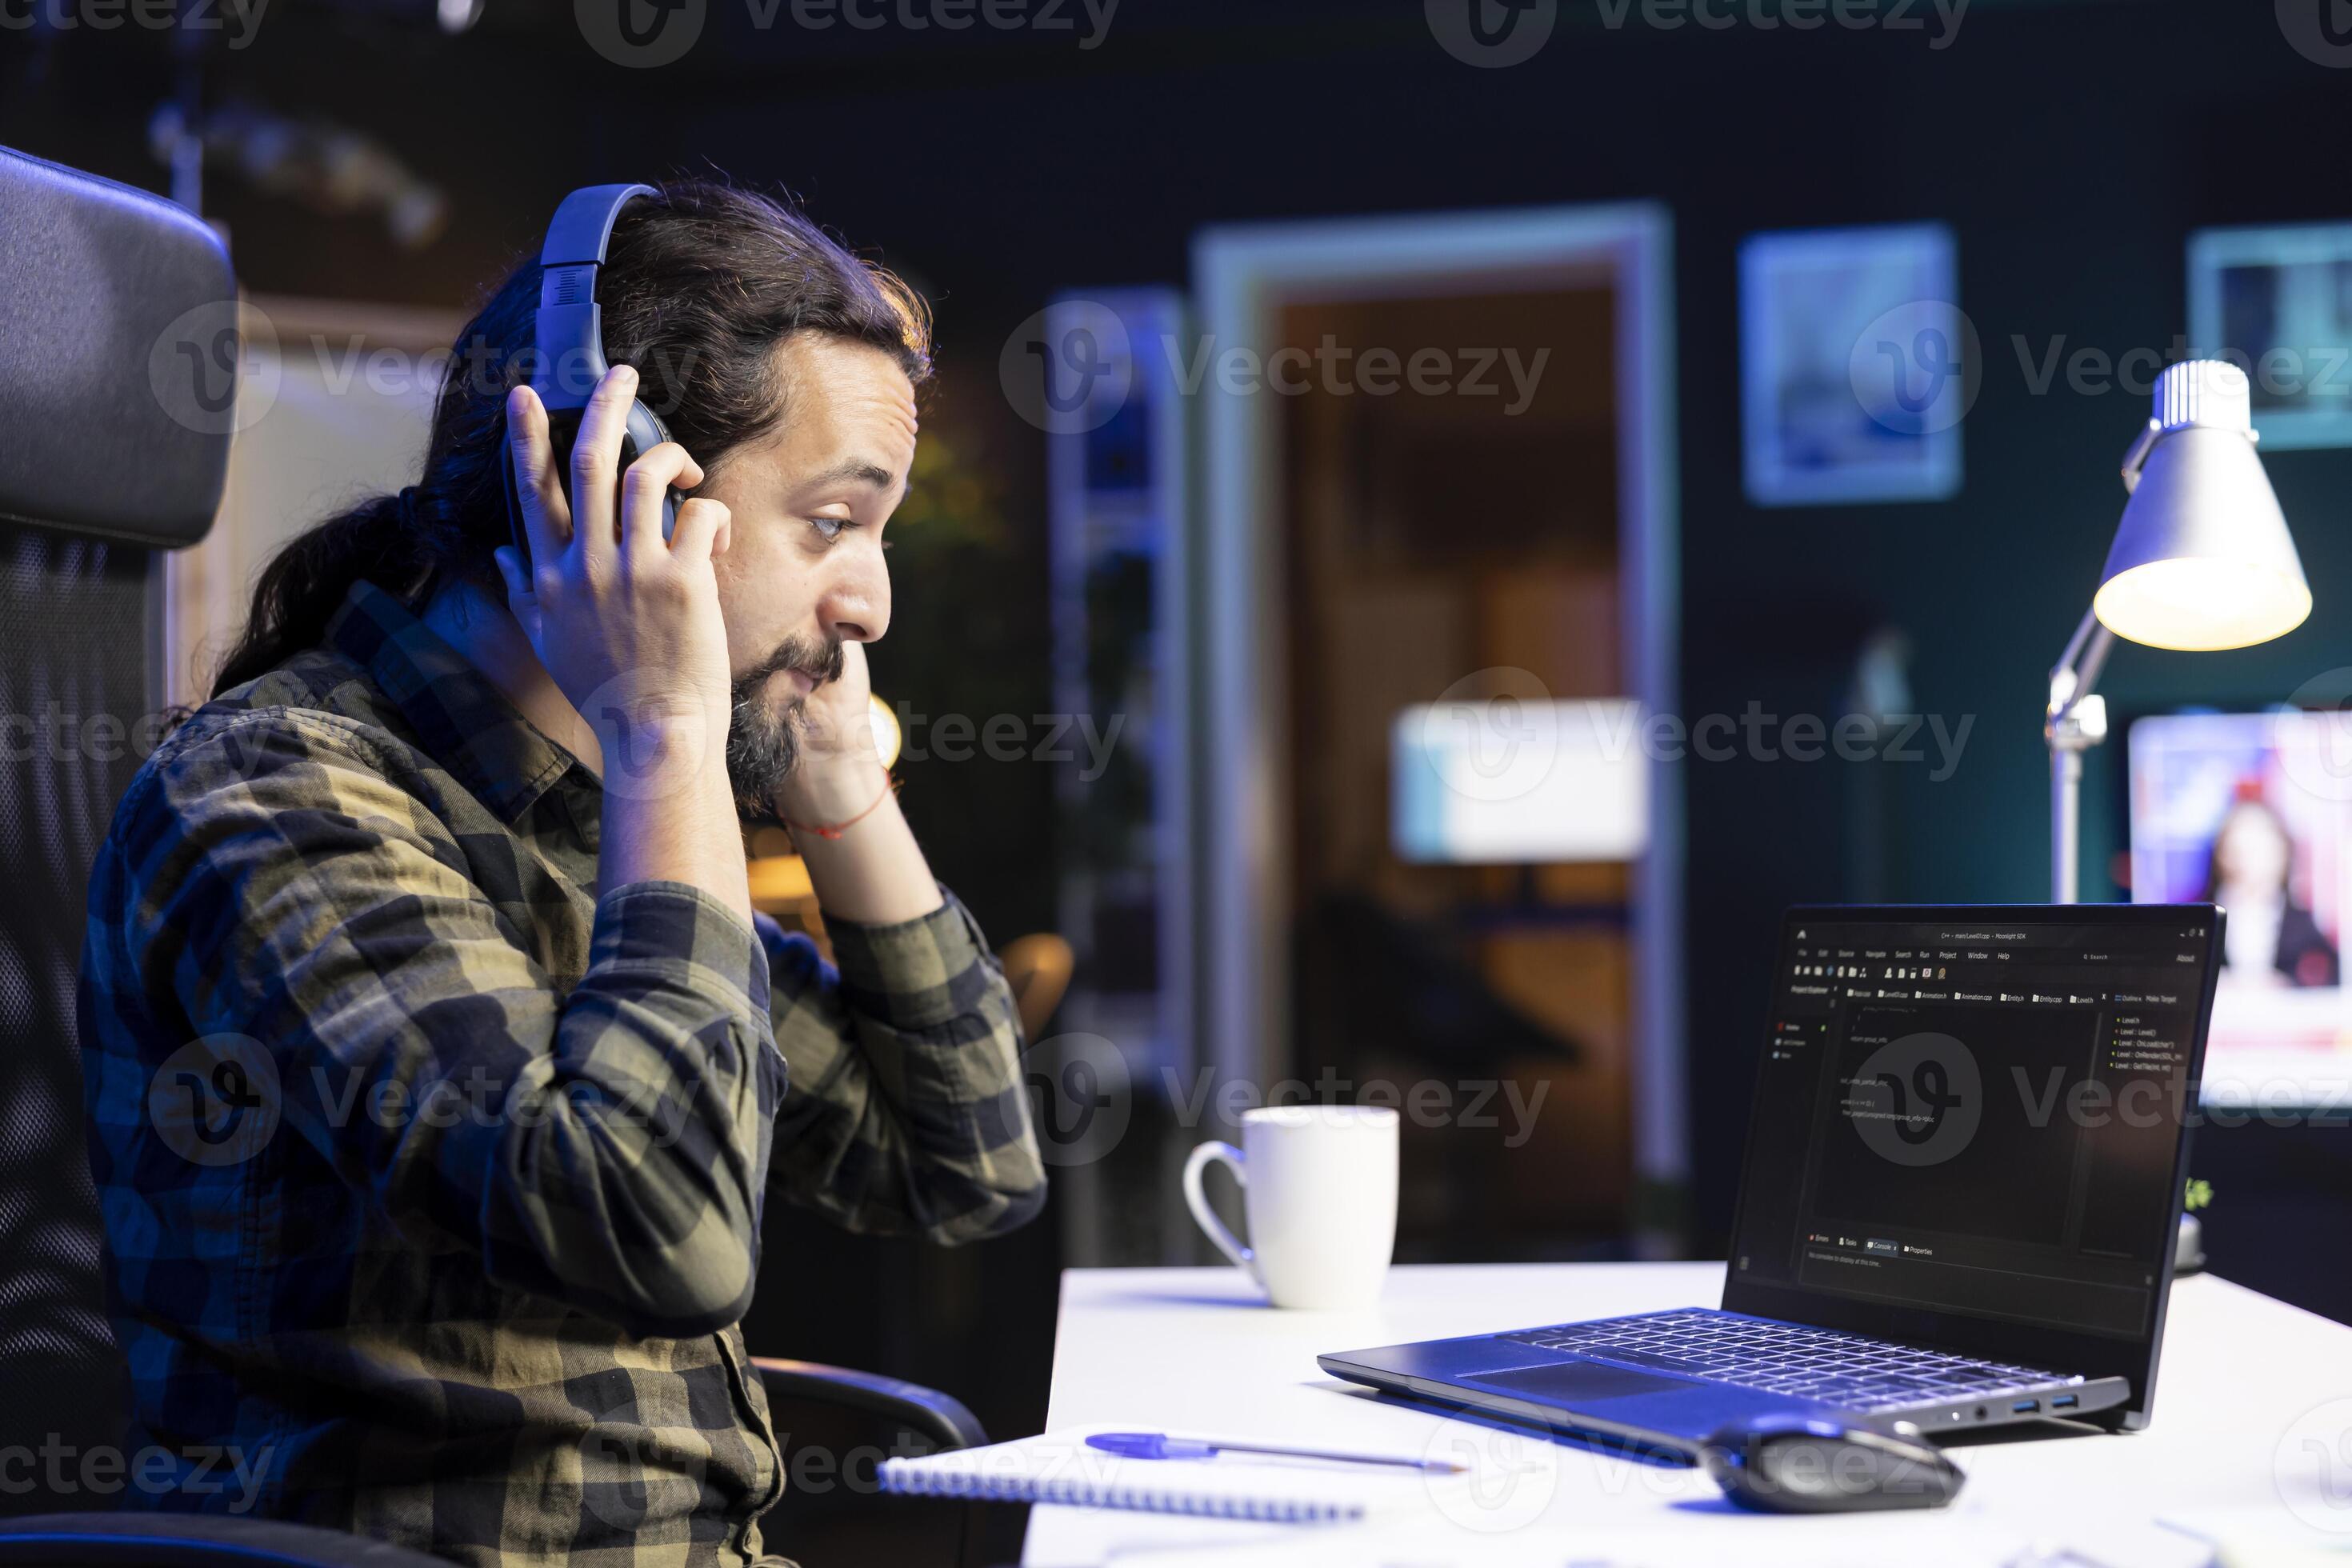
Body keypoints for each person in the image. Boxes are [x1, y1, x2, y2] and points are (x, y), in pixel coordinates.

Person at [78, 179, 1045, 1564]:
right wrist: (670, 739)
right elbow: (657, 1231)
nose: (874, 602)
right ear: (623, 485)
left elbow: (966, 1167)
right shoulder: (283, 797)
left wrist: (835, 786)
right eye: (834, 523)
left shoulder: (587, 814)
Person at [2203, 791, 2339, 988]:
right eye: (2240, 845)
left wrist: (2287, 985)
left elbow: (2331, 979)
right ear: (2222, 854)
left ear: (2282, 853)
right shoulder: (2200, 917)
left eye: (2260, 846)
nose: (2248, 857)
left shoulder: (2303, 924)